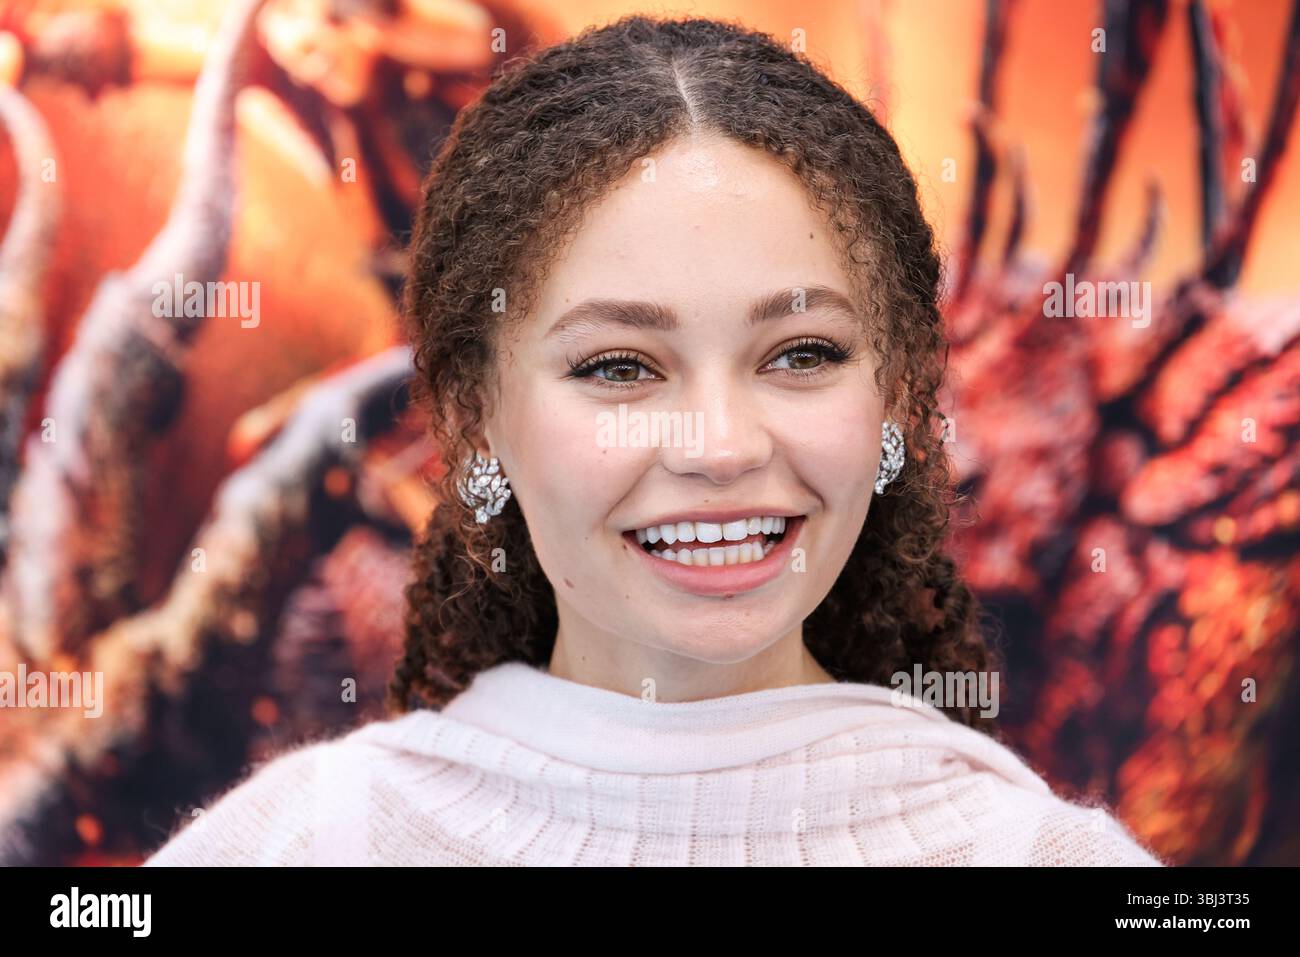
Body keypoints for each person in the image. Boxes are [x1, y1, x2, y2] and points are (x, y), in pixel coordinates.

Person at [145, 13, 1165, 867]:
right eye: (619, 367)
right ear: (471, 417)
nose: (717, 447)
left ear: (898, 393)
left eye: (800, 352)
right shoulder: (310, 845)